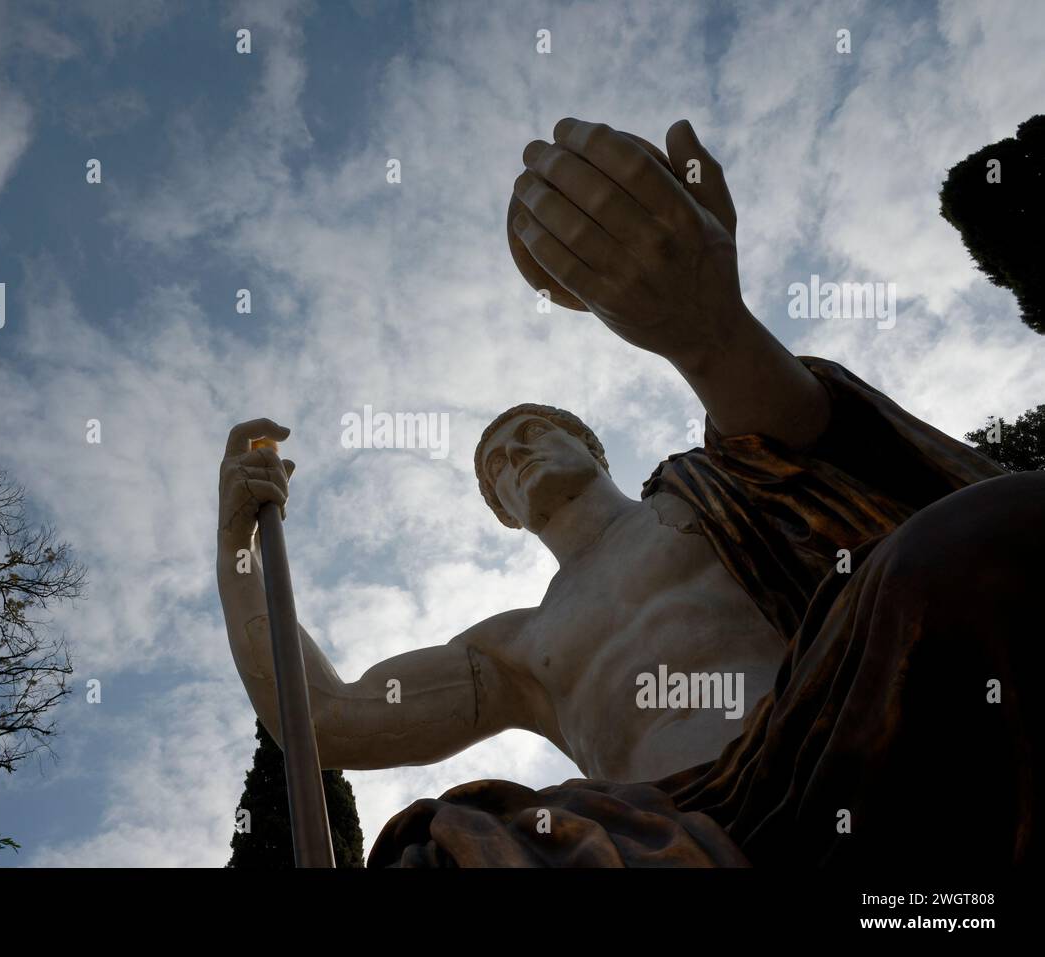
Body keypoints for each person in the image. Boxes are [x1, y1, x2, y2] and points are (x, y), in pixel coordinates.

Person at [218, 119, 1037, 867]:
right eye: (498, 463)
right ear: (504, 513)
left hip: (839, 754)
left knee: (983, 539)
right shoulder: (516, 647)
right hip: (654, 838)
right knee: (452, 851)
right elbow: (323, 716)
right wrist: (242, 550)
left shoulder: (712, 485)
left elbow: (824, 449)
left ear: (592, 444)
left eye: (536, 431)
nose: (516, 455)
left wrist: (707, 329)